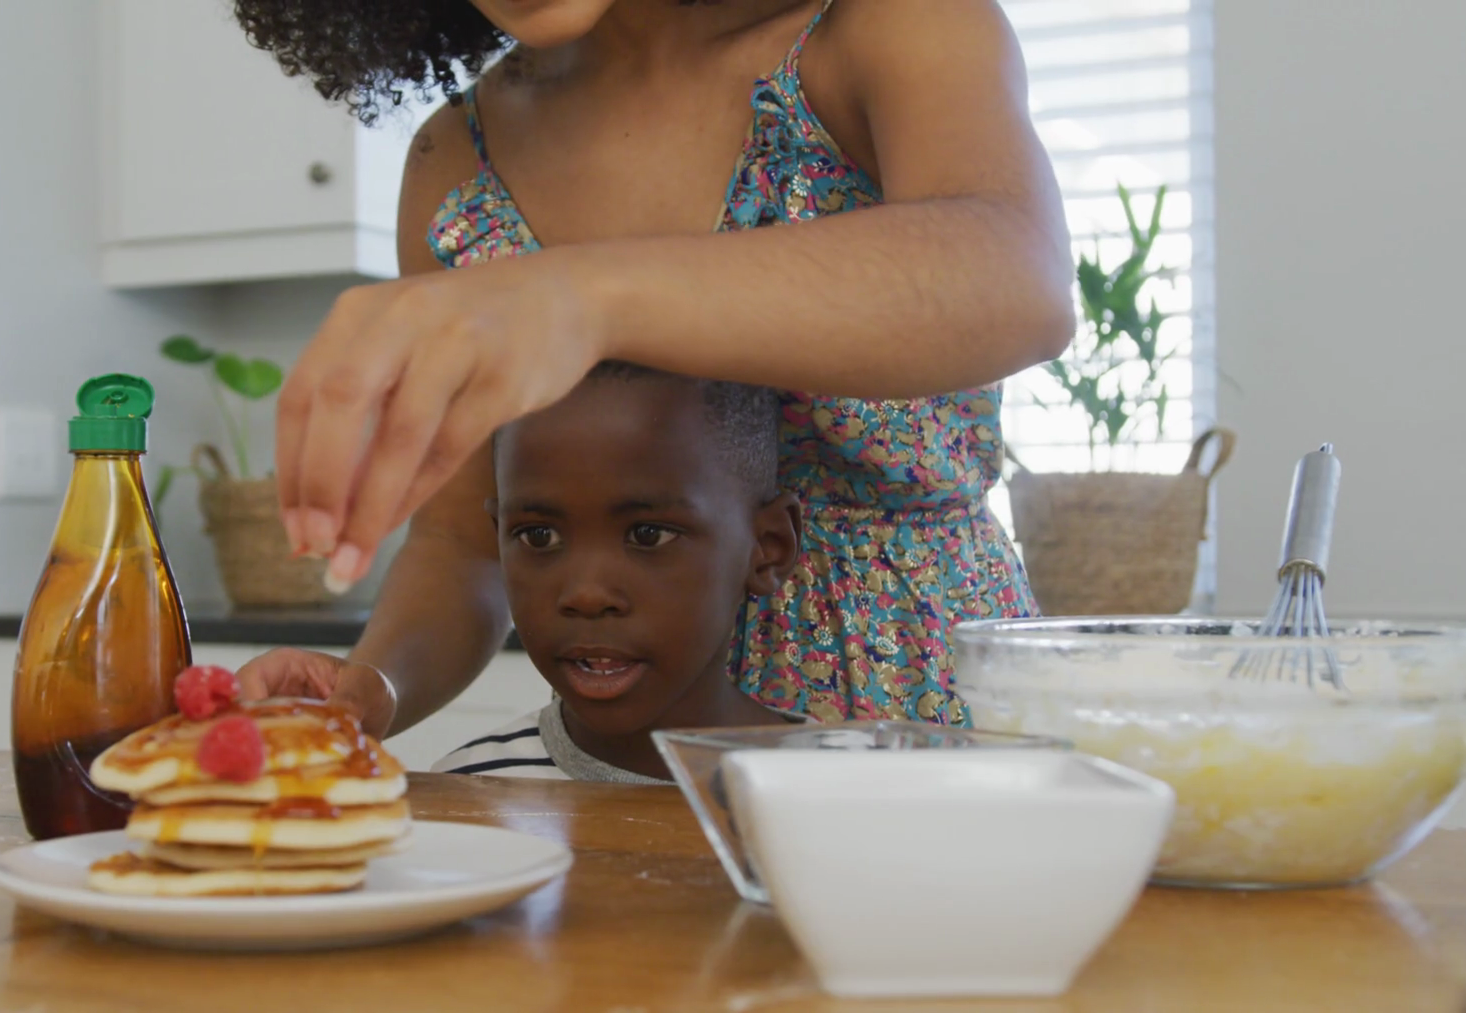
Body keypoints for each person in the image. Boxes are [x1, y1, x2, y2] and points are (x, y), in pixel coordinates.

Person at [231, 0, 1073, 736]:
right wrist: (366, 694)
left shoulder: (879, 27)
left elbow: (1018, 277)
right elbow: (462, 539)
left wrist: (583, 296)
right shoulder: (455, 162)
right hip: (633, 768)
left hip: (938, 731)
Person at [433, 362, 805, 782]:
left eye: (648, 536)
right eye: (538, 536)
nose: (587, 594)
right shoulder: (473, 793)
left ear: (768, 549)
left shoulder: (846, 799)